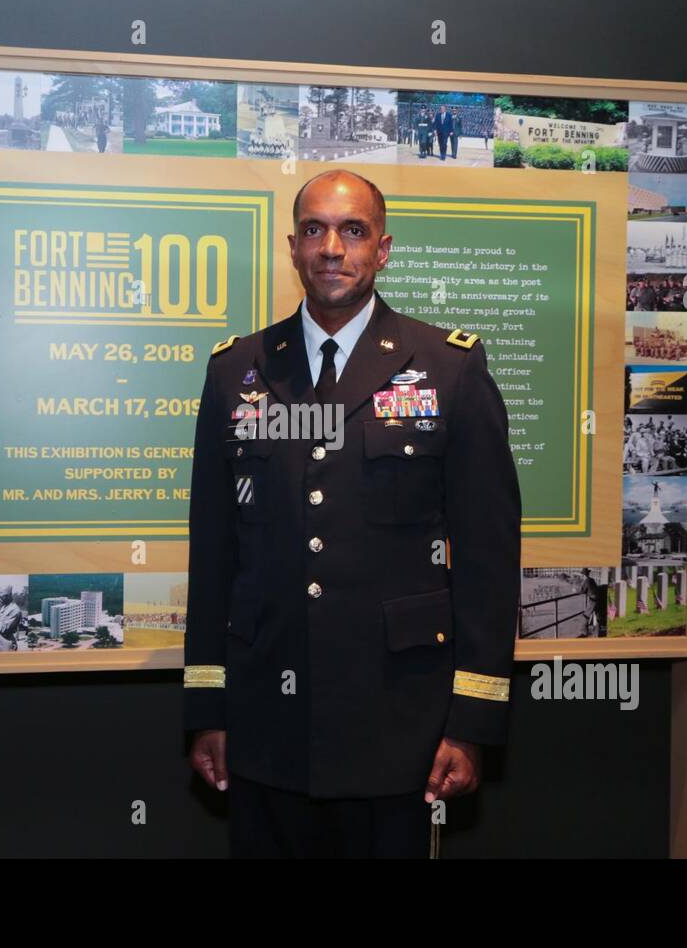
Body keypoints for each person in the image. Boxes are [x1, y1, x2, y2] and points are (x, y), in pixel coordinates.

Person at [184, 170, 522, 858]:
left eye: (352, 230)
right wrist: (206, 706)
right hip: (265, 725)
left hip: (399, 726)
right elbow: (213, 553)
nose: (331, 247)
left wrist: (473, 719)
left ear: (383, 248)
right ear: (292, 246)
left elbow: (488, 557)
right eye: (314, 230)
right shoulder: (236, 370)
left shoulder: (447, 368)